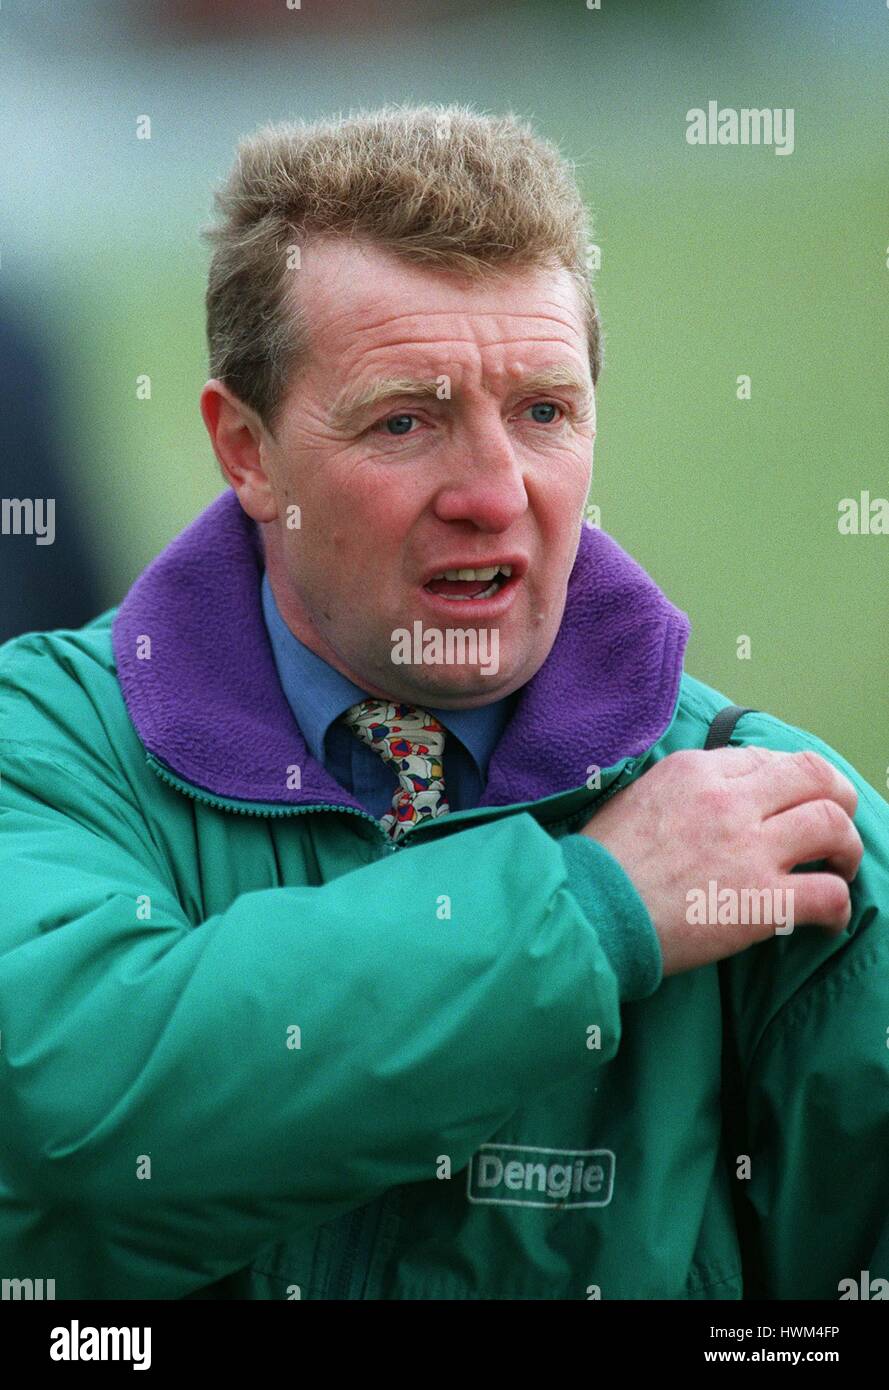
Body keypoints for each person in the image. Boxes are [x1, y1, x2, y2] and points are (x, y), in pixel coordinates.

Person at [1, 105, 886, 1302]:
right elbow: (73, 1104)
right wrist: (595, 912)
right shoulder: (49, 744)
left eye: (544, 412)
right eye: (406, 419)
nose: (493, 490)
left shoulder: (788, 830)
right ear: (247, 450)